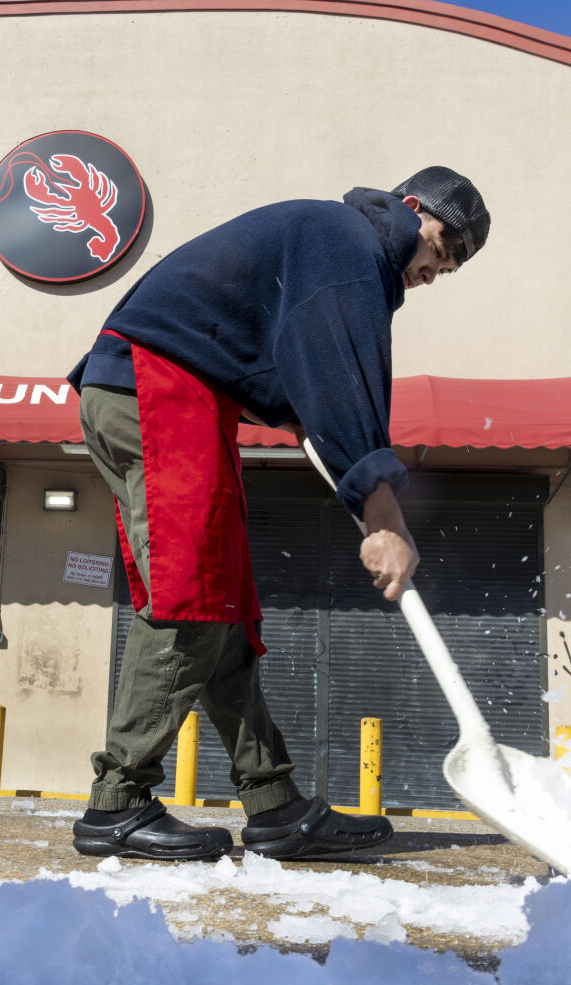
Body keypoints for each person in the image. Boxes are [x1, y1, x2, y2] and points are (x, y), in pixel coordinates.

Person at [66, 166, 491, 861]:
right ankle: (117, 804)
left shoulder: (333, 248)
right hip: (158, 389)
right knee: (193, 601)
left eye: (444, 271)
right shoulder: (348, 244)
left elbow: (310, 386)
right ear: (410, 209)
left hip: (184, 399)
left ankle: (275, 807)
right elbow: (343, 381)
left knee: (225, 612)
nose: (430, 274)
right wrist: (382, 518)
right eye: (436, 252)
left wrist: (330, 441)